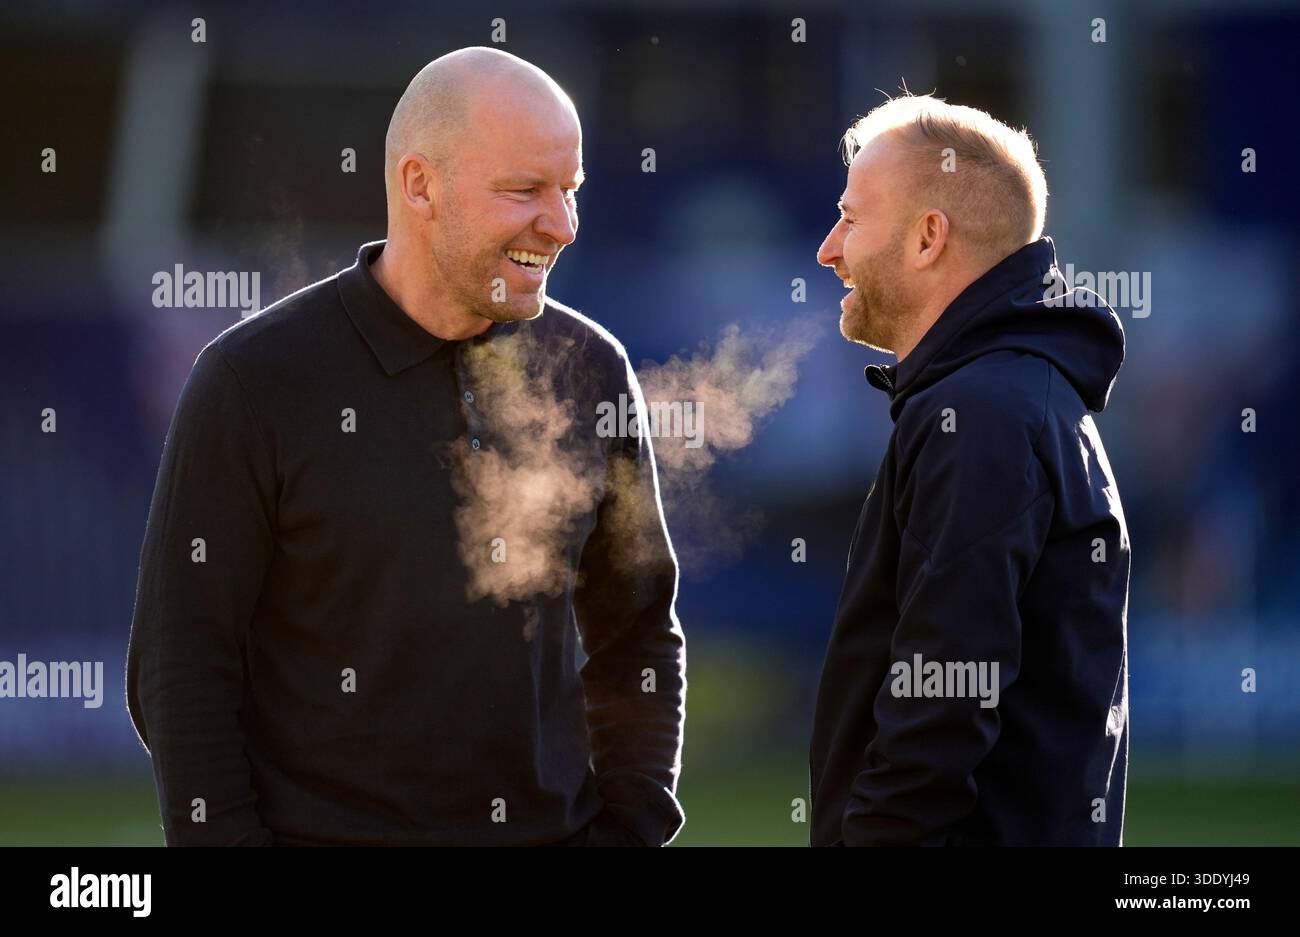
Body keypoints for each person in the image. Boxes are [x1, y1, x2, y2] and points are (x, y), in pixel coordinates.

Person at [126, 47, 686, 847]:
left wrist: (630, 829)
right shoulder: (252, 381)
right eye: (525, 190)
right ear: (420, 184)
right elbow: (180, 670)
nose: (561, 225)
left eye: (571, 190)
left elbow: (636, 631)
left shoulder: (590, 370)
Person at [808, 94, 1130, 846]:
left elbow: (938, 719)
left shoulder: (980, 414)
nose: (828, 248)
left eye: (851, 218)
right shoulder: (1013, 395)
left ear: (928, 238)